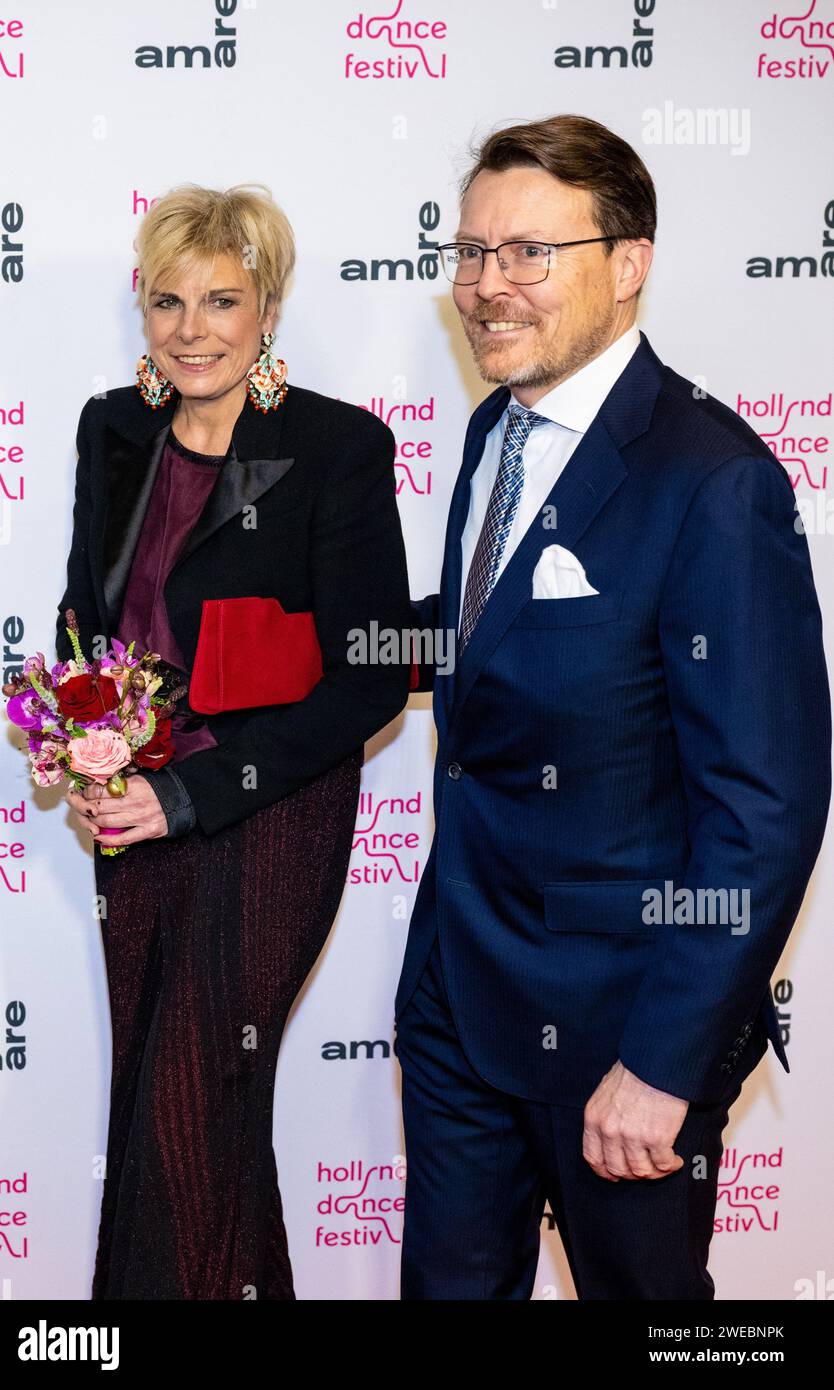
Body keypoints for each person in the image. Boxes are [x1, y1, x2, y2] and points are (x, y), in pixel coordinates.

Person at [395, 115, 831, 1300]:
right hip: (456, 994)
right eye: (473, 252)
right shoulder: (494, 428)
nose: (488, 286)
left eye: (528, 253)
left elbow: (764, 805)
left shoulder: (715, 480)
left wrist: (666, 1059)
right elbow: (486, 642)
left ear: (626, 261)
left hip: (618, 1033)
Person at [56, 181, 411, 1300]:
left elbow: (369, 678)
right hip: (135, 813)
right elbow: (86, 623)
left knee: (193, 1094)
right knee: (169, 1100)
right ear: (141, 308)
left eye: (220, 300)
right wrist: (80, 756)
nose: (190, 329)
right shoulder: (111, 426)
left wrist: (196, 794)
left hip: (267, 814)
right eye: (166, 302)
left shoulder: (334, 447)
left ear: (267, 306)